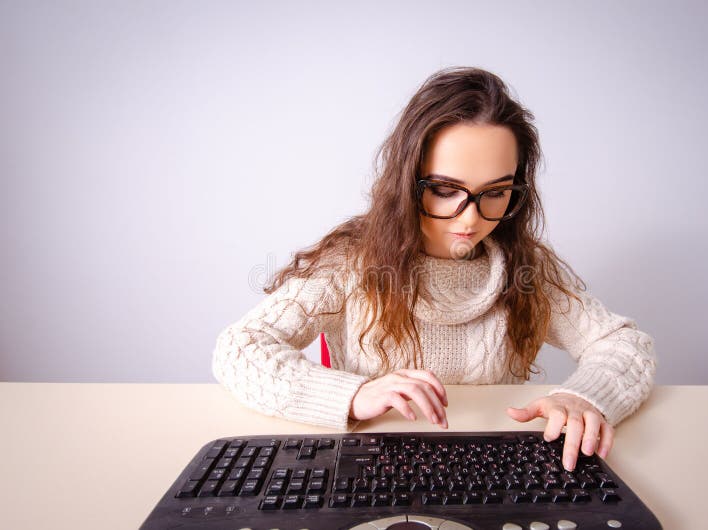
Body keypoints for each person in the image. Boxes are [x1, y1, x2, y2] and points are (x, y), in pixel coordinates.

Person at [212, 66, 656, 472]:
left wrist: (583, 397)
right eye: (445, 189)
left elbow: (623, 344)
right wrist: (352, 394)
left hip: (492, 467)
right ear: (408, 179)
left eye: (497, 192)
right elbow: (240, 349)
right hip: (371, 465)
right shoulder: (350, 261)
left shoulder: (528, 267)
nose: (470, 219)